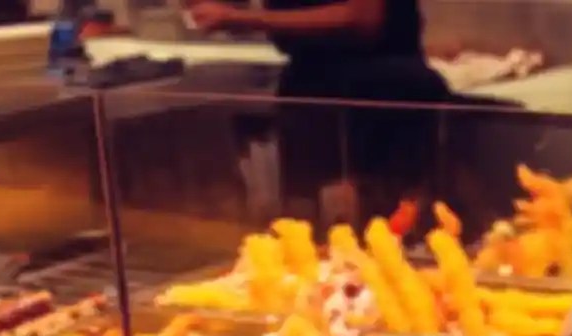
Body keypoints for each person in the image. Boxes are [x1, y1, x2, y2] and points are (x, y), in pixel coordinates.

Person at [187, 0, 450, 228]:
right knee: (310, 217)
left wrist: (238, 17)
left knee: (390, 220)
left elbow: (364, 17)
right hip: (310, 87)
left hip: (378, 92)